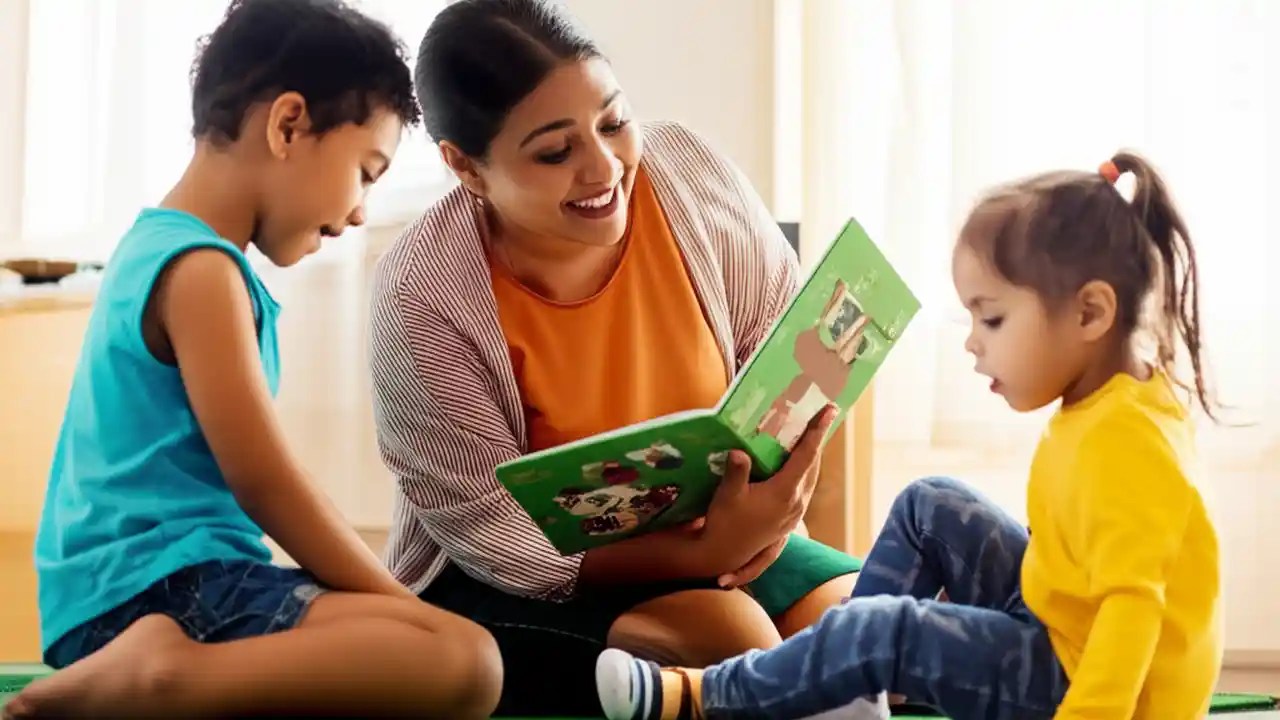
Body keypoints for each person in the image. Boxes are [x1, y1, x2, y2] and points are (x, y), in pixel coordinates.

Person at [595, 152, 1224, 720]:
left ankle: (706, 696)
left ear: (1090, 313)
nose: (973, 343)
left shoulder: (1127, 446)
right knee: (932, 504)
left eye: (992, 319)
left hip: (1081, 681)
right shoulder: (1112, 399)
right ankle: (848, 689)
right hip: (1060, 622)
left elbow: (1132, 614)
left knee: (888, 629)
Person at [5, 2, 501, 718]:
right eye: (365, 172)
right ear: (288, 125)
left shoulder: (158, 247)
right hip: (165, 592)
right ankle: (161, 675)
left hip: (144, 594)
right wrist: (400, 604)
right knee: (464, 660)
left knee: (433, 649)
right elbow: (265, 482)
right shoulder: (202, 272)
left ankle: (166, 669)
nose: (360, 212)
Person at [367, 0, 863, 714]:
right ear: (466, 167)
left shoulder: (688, 171)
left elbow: (781, 348)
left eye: (613, 121)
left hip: (716, 532)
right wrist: (701, 557)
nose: (605, 167)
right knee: (736, 643)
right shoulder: (422, 294)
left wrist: (775, 509)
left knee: (866, 629)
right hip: (523, 577)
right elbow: (490, 527)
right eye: (554, 152)